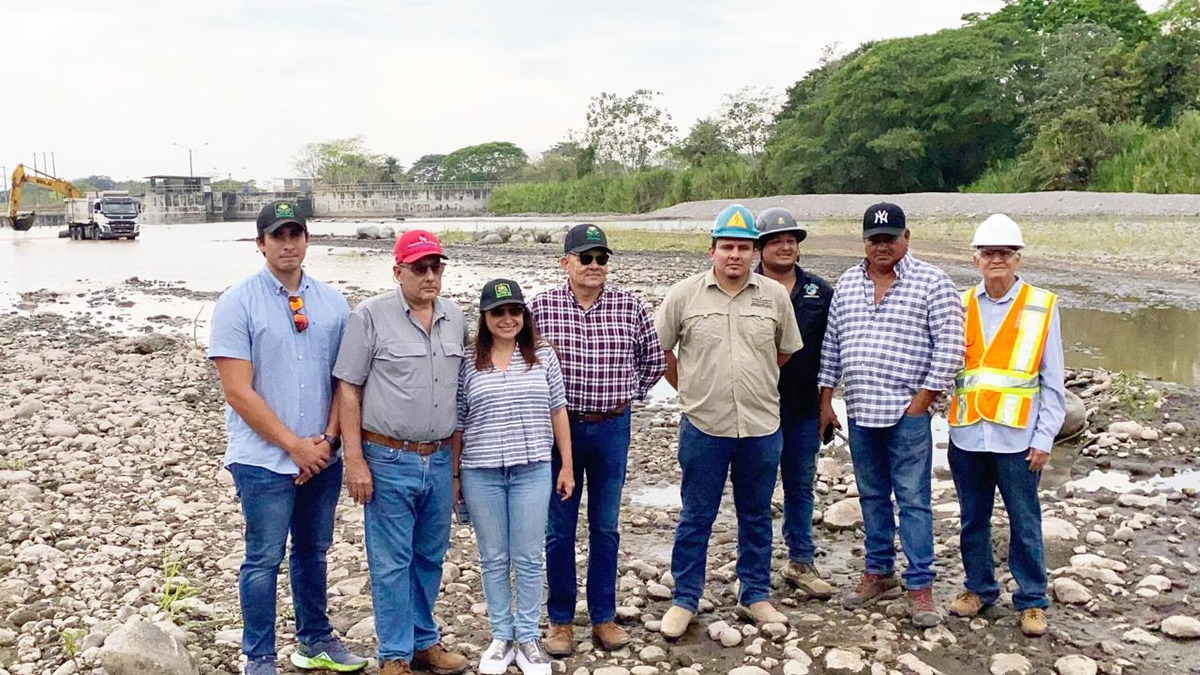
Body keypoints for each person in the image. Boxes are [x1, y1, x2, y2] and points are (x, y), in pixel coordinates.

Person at [208, 201, 367, 675]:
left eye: (295, 234)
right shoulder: (237, 303)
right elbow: (237, 390)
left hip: (322, 455)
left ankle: (314, 638)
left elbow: (345, 380)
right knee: (263, 558)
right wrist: (292, 445)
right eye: (277, 236)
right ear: (261, 243)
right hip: (261, 459)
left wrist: (328, 441)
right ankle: (258, 655)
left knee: (313, 551)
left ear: (307, 239)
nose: (288, 243)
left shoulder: (333, 303)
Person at [655, 205, 803, 639]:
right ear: (712, 251)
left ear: (755, 252)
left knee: (756, 515)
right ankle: (685, 598)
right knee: (696, 515)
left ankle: (755, 593)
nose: (734, 255)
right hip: (704, 426)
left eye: (743, 247)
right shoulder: (684, 295)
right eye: (726, 247)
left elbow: (785, 350)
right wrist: (693, 390)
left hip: (761, 426)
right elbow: (663, 351)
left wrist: (752, 380)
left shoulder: (774, 296)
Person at [817, 202, 964, 628]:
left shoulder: (933, 283)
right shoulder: (847, 283)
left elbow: (951, 349)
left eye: (890, 238)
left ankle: (920, 586)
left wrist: (922, 403)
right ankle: (879, 572)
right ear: (864, 241)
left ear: (906, 238)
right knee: (872, 496)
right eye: (874, 239)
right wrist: (826, 401)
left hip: (907, 414)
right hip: (861, 410)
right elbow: (832, 347)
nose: (882, 246)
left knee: (914, 500)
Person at [333, 230, 469, 675]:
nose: (430, 276)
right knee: (392, 562)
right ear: (398, 272)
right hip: (388, 458)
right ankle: (395, 653)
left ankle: (424, 642)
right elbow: (348, 390)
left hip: (440, 456)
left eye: (436, 267)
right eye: (419, 268)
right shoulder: (369, 317)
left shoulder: (455, 317)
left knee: (431, 556)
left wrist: (456, 469)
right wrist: (354, 461)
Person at [529, 223, 666, 655]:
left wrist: (628, 394)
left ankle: (604, 617)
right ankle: (561, 621)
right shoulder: (540, 307)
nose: (593, 266)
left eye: (601, 258)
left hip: (612, 427)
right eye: (585, 258)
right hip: (560, 430)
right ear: (564, 262)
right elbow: (520, 358)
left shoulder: (630, 307)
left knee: (606, 526)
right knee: (559, 528)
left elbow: (654, 359)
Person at [945, 214, 1065, 638]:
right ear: (975, 259)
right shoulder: (958, 304)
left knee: (1024, 519)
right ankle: (979, 588)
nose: (996, 260)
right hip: (967, 434)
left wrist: (1045, 437)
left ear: (1017, 258)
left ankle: (1032, 600)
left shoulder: (1041, 304)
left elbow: (1052, 381)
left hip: (1018, 438)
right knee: (972, 518)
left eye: (1005, 253)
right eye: (988, 253)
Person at [454, 279, 576, 675]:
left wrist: (567, 466)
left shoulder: (542, 355)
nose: (507, 319)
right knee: (492, 558)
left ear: (524, 315)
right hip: (481, 472)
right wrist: (455, 476)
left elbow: (558, 410)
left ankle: (527, 636)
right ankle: (501, 636)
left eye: (514, 311)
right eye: (498, 312)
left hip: (533, 469)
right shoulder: (469, 359)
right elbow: (458, 420)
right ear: (485, 317)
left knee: (527, 556)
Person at [753, 207, 835, 600]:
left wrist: (827, 405)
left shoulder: (820, 292)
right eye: (775, 241)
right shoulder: (745, 289)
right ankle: (751, 571)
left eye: (791, 240)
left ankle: (801, 560)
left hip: (803, 409)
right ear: (760, 249)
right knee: (755, 490)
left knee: (801, 486)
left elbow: (830, 354)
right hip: (755, 409)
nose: (785, 247)